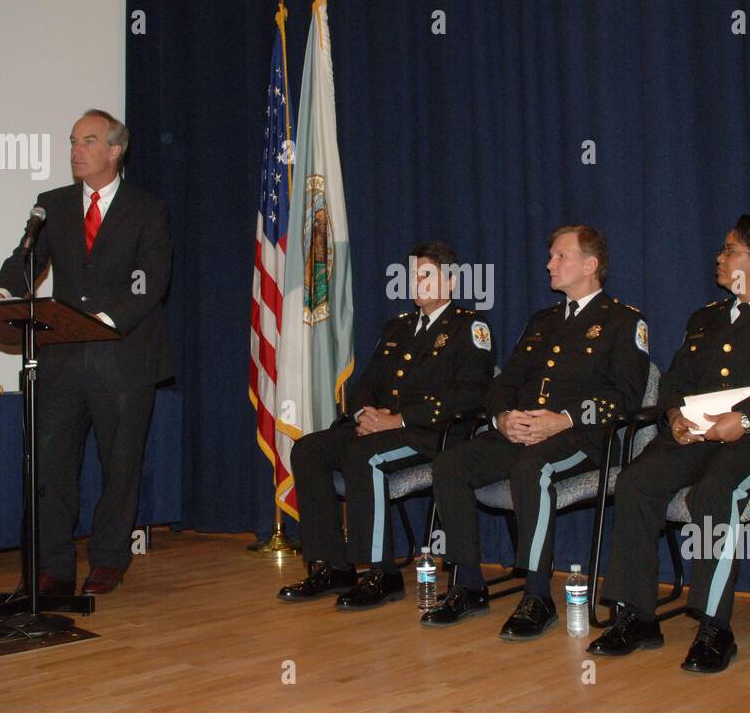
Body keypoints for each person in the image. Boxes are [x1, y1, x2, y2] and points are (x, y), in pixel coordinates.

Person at [588, 215, 750, 671]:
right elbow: (675, 379)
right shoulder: (705, 317)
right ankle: (637, 615)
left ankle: (714, 626)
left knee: (716, 492)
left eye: (730, 250)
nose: (719, 258)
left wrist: (745, 419)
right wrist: (674, 414)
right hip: (697, 435)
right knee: (636, 482)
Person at [0, 109, 172, 596]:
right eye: (72, 142)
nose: (76, 151)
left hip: (122, 359)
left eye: (87, 141)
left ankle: (107, 559)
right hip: (61, 361)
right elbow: (27, 258)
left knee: (119, 465)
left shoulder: (147, 209)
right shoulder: (53, 205)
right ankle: (52, 567)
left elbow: (151, 282)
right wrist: (2, 291)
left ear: (115, 150)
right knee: (49, 466)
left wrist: (104, 320)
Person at [422, 225, 650, 640]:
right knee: (451, 464)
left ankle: (537, 596)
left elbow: (627, 397)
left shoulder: (623, 321)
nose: (549, 264)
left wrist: (564, 419)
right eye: (551, 256)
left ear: (590, 264)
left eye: (560, 256)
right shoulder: (541, 322)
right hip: (522, 430)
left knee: (532, 468)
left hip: (583, 438)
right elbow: (503, 384)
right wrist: (503, 418)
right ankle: (468, 584)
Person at [277, 244, 495, 609]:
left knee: (364, 456)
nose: (417, 282)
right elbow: (367, 383)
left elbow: (471, 396)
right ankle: (334, 564)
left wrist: (399, 420)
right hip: (382, 427)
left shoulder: (469, 327)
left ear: (451, 281)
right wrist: (364, 413)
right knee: (308, 449)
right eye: (414, 275)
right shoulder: (399, 326)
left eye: (426, 274)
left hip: (431, 433)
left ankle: (383, 574)